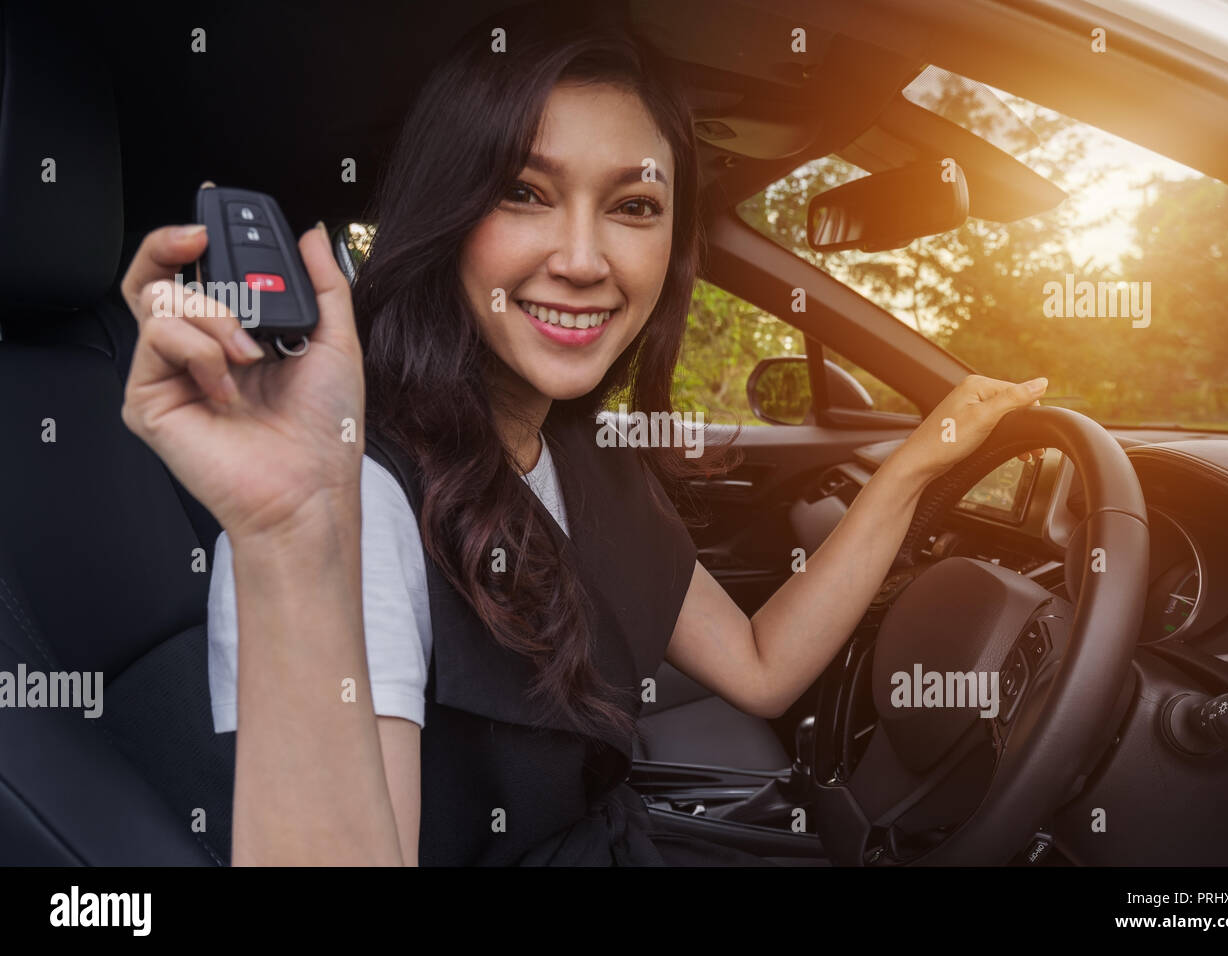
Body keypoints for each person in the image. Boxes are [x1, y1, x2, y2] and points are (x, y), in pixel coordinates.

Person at [119, 0, 1047, 866]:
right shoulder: (353, 499)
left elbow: (761, 669)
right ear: (448, 220)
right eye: (523, 192)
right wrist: (291, 536)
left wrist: (920, 462)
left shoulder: (580, 451)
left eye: (633, 205)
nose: (580, 258)